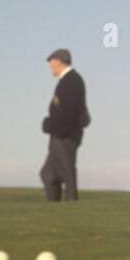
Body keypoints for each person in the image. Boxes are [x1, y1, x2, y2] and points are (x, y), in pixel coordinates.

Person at [40, 49, 88, 201]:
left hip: (65, 137)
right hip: (60, 136)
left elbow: (69, 113)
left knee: (67, 176)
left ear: (59, 61)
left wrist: (50, 126)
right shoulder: (67, 81)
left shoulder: (72, 81)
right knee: (49, 174)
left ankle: (70, 208)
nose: (50, 65)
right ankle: (56, 210)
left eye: (52, 61)